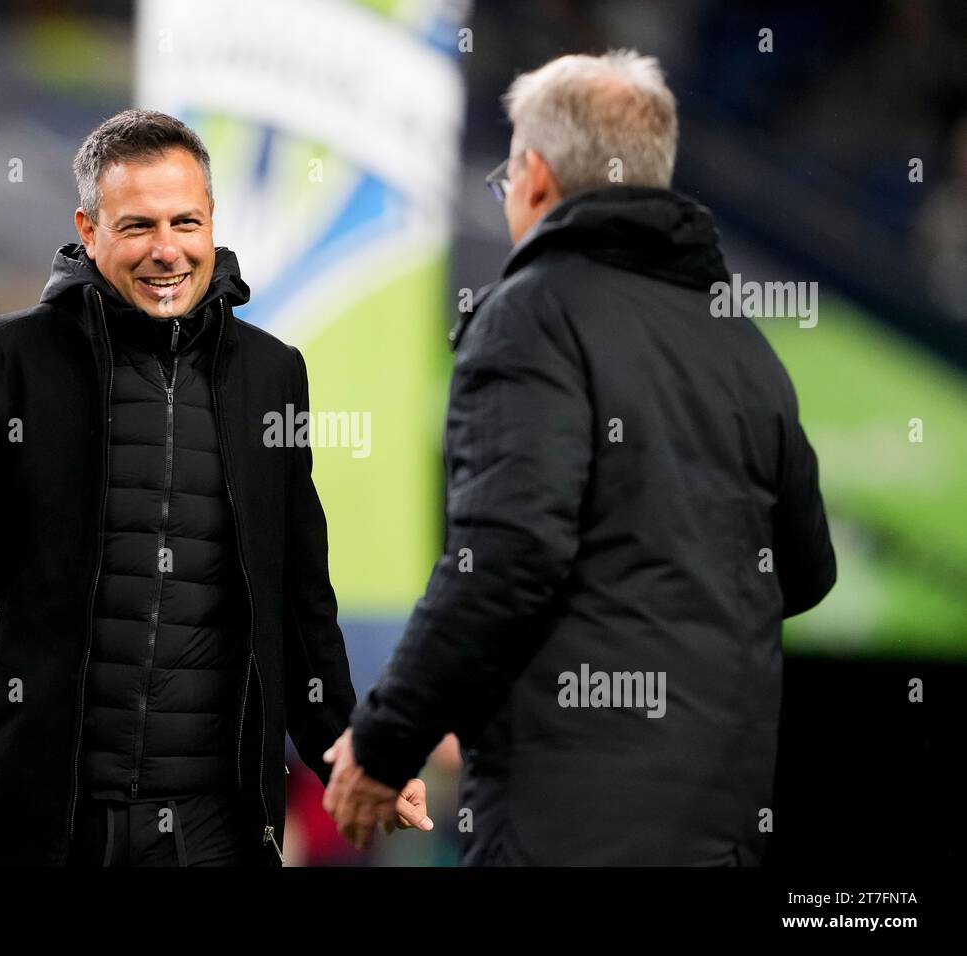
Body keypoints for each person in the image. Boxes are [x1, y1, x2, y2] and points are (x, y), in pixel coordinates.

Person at [0, 109, 428, 866]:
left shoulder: (272, 374)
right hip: (38, 823)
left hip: (211, 828)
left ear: (213, 222)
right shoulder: (2, 358)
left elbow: (300, 608)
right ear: (88, 232)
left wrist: (351, 761)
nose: (167, 250)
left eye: (185, 222)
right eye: (138, 227)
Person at [323, 51, 836, 865]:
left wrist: (383, 743)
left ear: (533, 174)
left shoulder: (530, 315)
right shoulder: (743, 344)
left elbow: (506, 554)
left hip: (566, 825)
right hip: (722, 824)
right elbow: (806, 573)